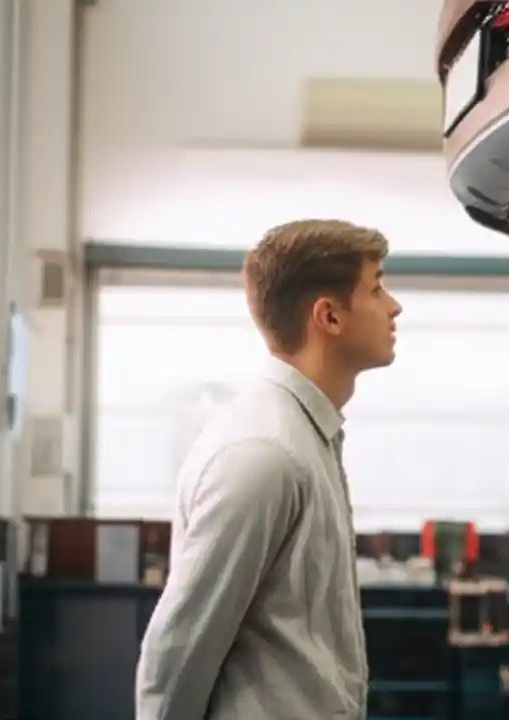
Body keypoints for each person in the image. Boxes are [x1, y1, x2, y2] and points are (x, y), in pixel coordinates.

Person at [135, 219, 402, 720]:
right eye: (377, 287)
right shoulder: (264, 454)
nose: (394, 305)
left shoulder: (305, 438)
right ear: (329, 316)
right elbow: (178, 651)